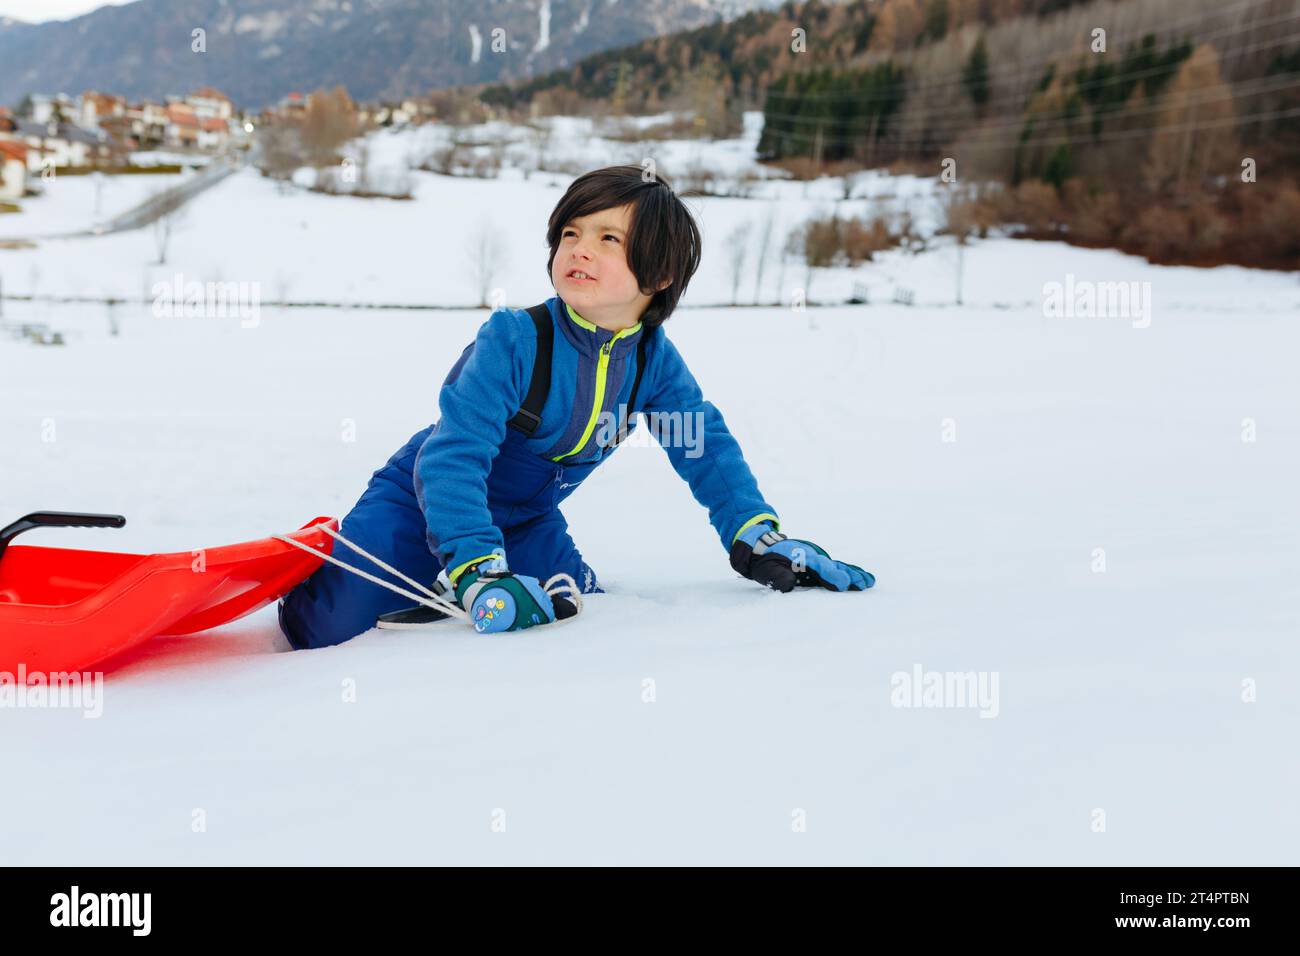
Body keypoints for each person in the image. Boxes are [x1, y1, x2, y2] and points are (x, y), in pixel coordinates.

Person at [279, 165, 873, 648]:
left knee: (579, 612)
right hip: (423, 500)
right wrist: (475, 567)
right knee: (323, 628)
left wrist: (756, 534)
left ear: (659, 272)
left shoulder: (651, 363)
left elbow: (705, 449)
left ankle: (458, 573)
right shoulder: (514, 340)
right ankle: (335, 554)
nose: (579, 249)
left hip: (528, 519)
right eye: (570, 233)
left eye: (607, 238)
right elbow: (452, 457)